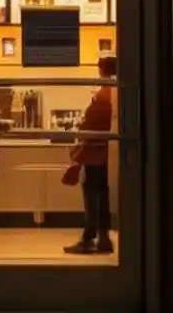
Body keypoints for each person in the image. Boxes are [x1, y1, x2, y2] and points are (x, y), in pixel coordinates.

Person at [64, 55, 116, 255]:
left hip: (95, 154)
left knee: (92, 195)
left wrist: (78, 157)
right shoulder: (115, 93)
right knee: (102, 196)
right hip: (105, 154)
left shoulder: (104, 95)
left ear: (102, 71)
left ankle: (89, 237)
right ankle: (103, 238)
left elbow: (91, 127)